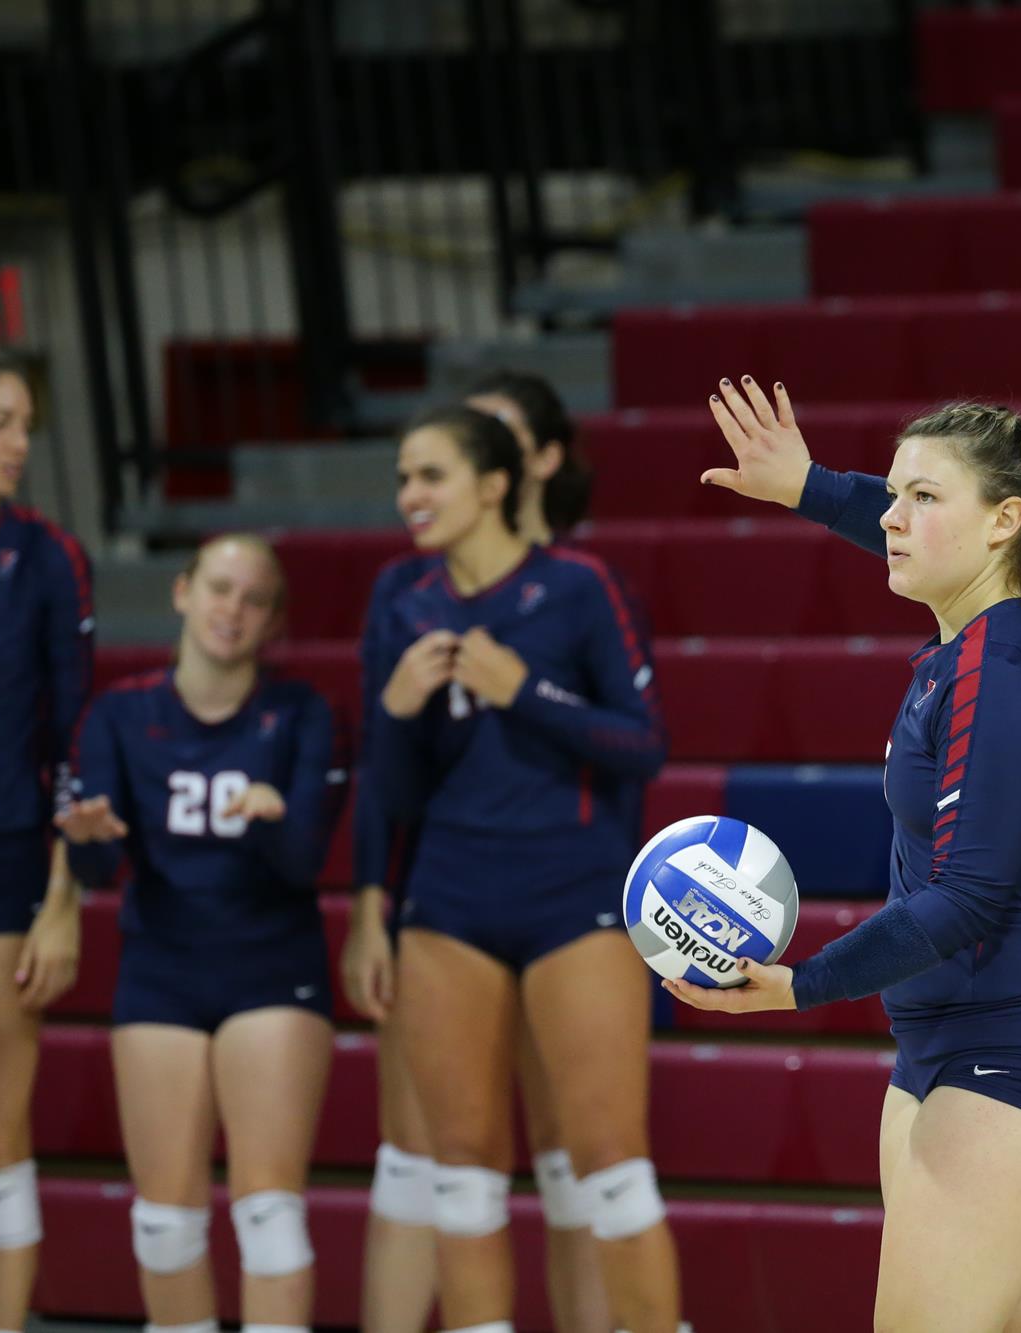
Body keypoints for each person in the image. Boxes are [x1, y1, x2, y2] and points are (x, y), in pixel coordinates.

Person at [676, 378, 1021, 1332]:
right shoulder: (988, 638)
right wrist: (808, 486)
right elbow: (906, 535)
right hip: (945, 1051)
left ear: (1006, 520)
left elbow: (965, 901)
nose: (892, 516)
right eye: (891, 494)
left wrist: (799, 986)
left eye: (922, 497)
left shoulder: (996, 672)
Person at [365, 404, 681, 1333]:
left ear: (494, 484)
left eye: (430, 476)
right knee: (459, 1179)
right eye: (401, 478)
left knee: (613, 1171)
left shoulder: (580, 586)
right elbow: (392, 789)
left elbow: (645, 744)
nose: (409, 497)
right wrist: (393, 708)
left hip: (574, 892)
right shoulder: (405, 602)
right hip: (447, 900)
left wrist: (526, 691)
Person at [57, 533, 342, 1333]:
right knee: (165, 1219)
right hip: (162, 968)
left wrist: (274, 819)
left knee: (269, 1213)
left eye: (254, 599)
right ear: (182, 591)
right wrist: (86, 838)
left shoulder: (301, 713)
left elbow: (302, 863)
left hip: (270, 966)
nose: (233, 610)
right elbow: (100, 862)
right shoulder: (120, 711)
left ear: (273, 619)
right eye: (220, 588)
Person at [0, 347, 92, 1333]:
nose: (18, 443)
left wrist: (63, 894)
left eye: (27, 426)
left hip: (0, 858)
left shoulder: (43, 557)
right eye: (0, 419)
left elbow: (77, 732)